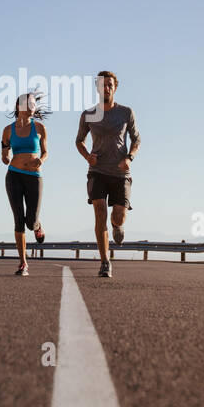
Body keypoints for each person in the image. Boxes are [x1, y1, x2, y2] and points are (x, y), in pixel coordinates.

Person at [75, 70, 140, 278]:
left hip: (121, 172)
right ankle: (105, 262)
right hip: (98, 171)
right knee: (100, 212)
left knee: (118, 216)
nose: (106, 88)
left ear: (115, 87)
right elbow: (79, 140)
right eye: (103, 85)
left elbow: (136, 139)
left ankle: (116, 225)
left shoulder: (126, 112)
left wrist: (129, 157)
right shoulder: (88, 114)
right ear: (97, 88)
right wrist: (87, 157)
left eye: (110, 85)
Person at [1, 92, 47, 276]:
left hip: (34, 176)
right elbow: (4, 152)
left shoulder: (40, 128)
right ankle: (23, 263)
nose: (32, 106)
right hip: (14, 175)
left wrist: (41, 160)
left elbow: (45, 152)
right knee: (18, 220)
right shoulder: (7, 130)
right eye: (28, 103)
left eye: (34, 103)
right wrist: (5, 157)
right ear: (19, 106)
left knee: (30, 221)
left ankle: (37, 225)